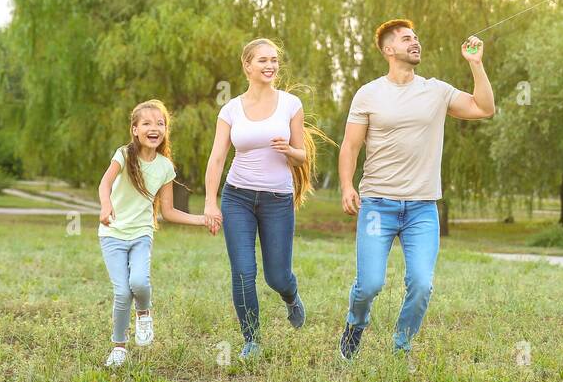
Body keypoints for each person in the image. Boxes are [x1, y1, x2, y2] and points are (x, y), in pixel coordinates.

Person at [337, 19, 494, 359]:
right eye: (407, 38)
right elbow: (350, 146)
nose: (415, 42)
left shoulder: (436, 90)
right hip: (378, 205)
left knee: (422, 284)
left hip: (422, 208)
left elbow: (484, 108)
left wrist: (476, 64)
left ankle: (401, 345)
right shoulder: (369, 93)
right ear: (388, 49)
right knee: (369, 285)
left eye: (416, 38)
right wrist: (347, 185)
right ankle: (355, 323)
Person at [203, 38, 328, 358]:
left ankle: (291, 296)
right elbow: (217, 158)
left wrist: (291, 151)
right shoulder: (230, 109)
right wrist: (209, 201)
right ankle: (252, 339)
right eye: (262, 60)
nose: (270, 65)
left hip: (277, 199)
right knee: (243, 270)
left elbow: (302, 157)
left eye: (274, 60)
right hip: (237, 197)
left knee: (277, 276)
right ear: (247, 65)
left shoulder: (290, 104)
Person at [97, 99, 206, 368]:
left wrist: (202, 219)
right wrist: (106, 205)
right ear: (135, 129)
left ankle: (144, 313)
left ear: (165, 130)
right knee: (122, 293)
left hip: (141, 234)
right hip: (112, 235)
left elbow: (168, 212)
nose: (154, 128)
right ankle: (119, 347)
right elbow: (105, 183)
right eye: (147, 123)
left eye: (160, 123)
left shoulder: (165, 167)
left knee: (140, 284)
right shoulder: (123, 155)